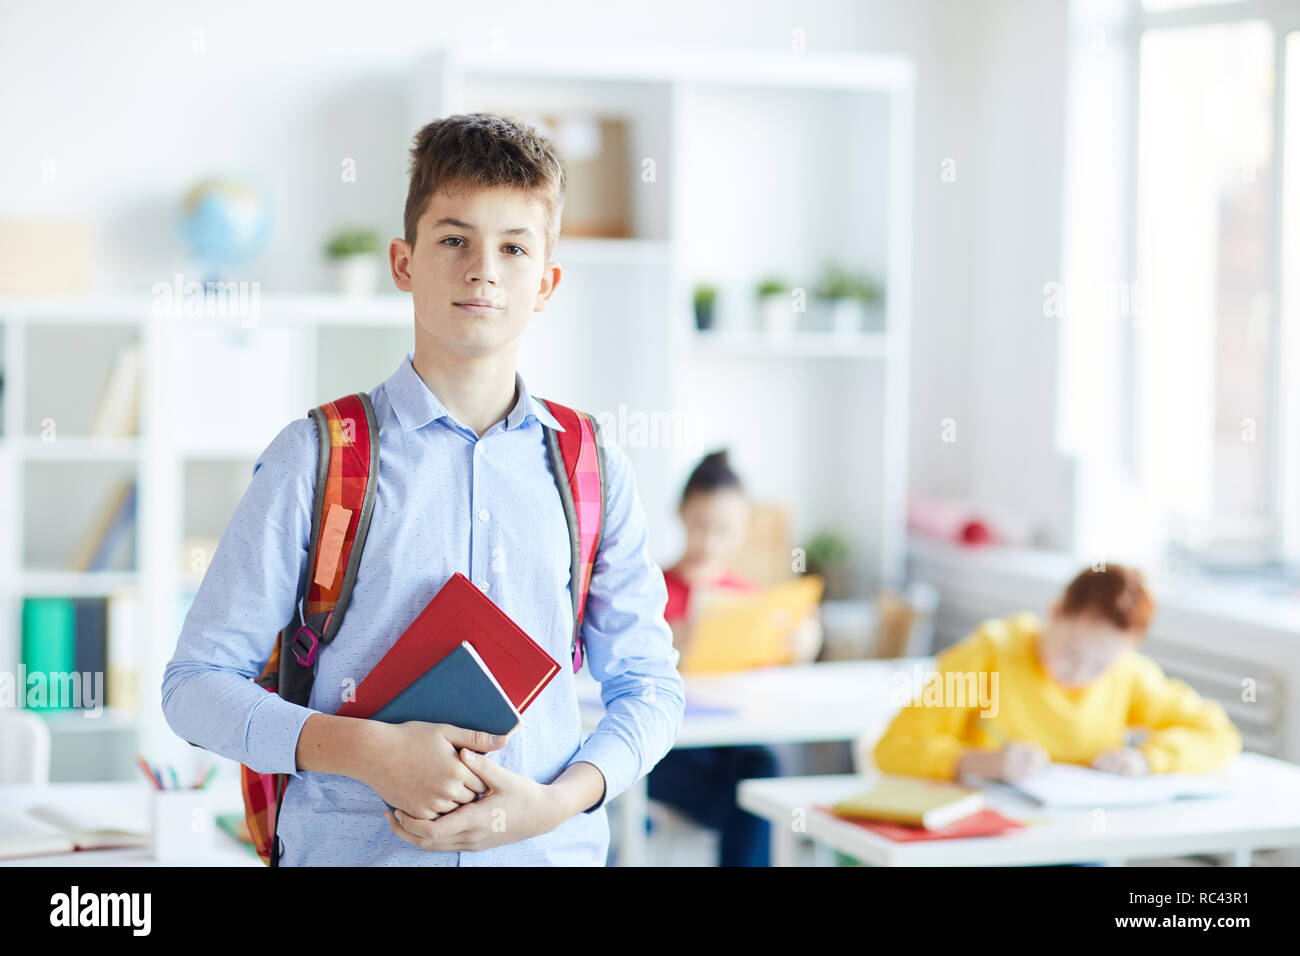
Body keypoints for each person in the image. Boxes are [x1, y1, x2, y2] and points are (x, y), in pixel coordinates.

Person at [162, 113, 684, 866]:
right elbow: (194, 686)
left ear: (547, 282)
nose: (484, 269)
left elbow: (651, 686)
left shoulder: (592, 467)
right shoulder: (315, 459)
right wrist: (364, 750)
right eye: (454, 239)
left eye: (514, 247)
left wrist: (556, 802)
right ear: (404, 263)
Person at [872, 563, 1241, 782]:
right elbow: (893, 749)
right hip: (984, 846)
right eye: (1071, 652)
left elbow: (1218, 736)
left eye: (1099, 666)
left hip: (1078, 842)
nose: (1078, 673)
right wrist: (980, 762)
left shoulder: (1127, 675)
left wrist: (1148, 758)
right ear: (1054, 613)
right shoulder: (986, 653)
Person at [646, 449, 822, 866]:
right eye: (700, 526)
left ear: (743, 531)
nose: (710, 542)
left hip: (732, 745)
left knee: (761, 769)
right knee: (753, 798)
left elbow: (769, 683)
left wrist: (803, 647)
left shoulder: (751, 601)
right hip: (668, 751)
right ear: (682, 515)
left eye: (724, 530)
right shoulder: (649, 593)